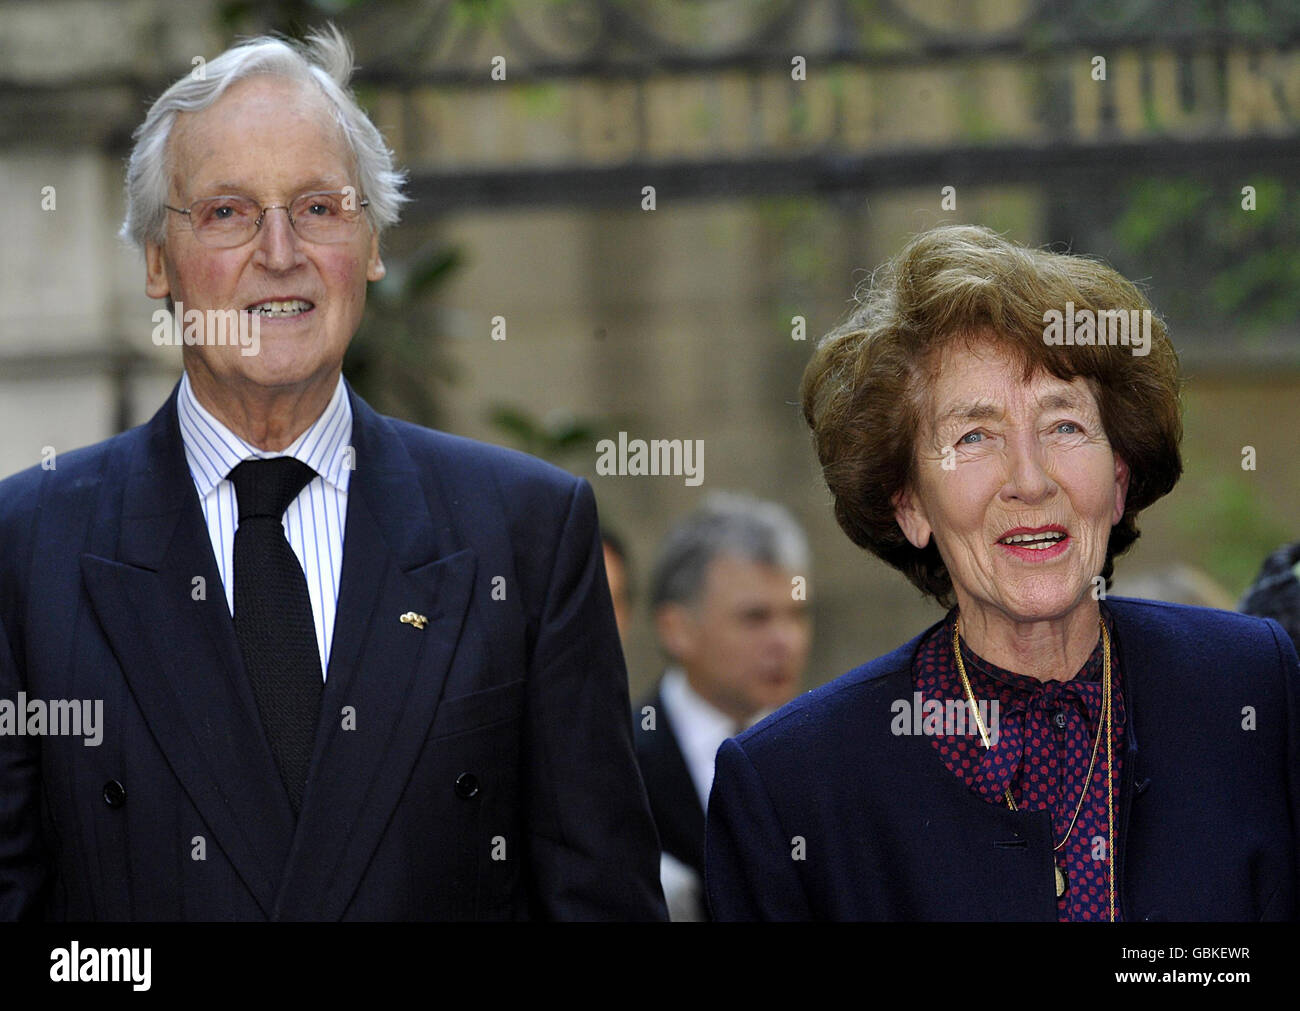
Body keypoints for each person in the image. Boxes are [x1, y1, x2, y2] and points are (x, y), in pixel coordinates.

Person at [0, 26, 665, 922]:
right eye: (229, 211)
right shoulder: (26, 552)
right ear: (158, 261)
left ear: (374, 246)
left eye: (319, 207)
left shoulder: (528, 534)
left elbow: (600, 901)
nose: (281, 252)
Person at [706, 224, 1300, 921]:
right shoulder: (794, 785)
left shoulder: (1251, 685)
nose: (1029, 479)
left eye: (1065, 426)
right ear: (909, 503)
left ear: (1117, 477)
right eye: (974, 436)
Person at [635, 493, 811, 920]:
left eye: (797, 615)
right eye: (756, 617)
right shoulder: (614, 760)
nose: (784, 642)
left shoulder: (826, 750)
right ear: (676, 629)